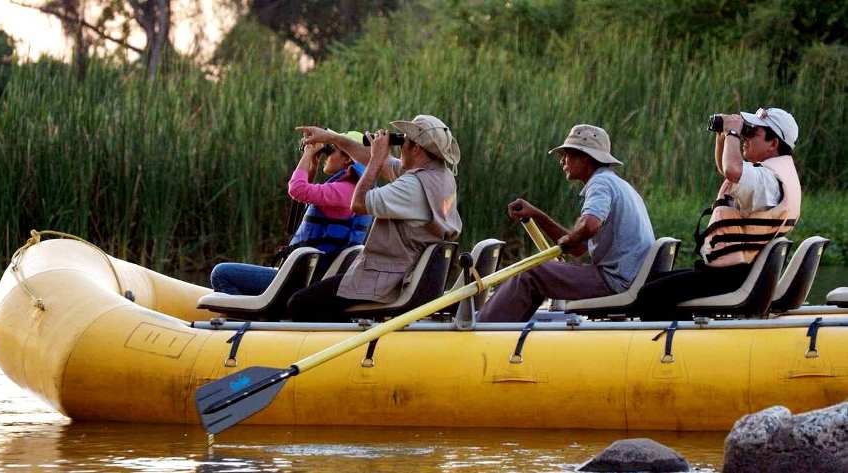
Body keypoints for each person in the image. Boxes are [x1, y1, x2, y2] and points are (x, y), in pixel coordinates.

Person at [287, 115, 462, 321]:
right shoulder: (440, 177)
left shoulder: (413, 187)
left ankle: (343, 347)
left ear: (416, 149)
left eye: (403, 142)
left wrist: (377, 159)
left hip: (387, 280)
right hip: (404, 272)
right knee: (323, 296)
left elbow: (358, 203)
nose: (400, 147)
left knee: (299, 303)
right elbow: (370, 158)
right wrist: (331, 137)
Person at [633, 107, 801, 319]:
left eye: (752, 132)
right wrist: (723, 136)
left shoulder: (767, 181)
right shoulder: (771, 174)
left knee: (650, 294)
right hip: (736, 271)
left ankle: (679, 345)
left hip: (733, 275)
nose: (744, 137)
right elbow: (727, 169)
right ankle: (689, 333)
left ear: (773, 144)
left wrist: (733, 133)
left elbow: (732, 169)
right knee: (655, 280)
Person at [476, 124, 654, 323]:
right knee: (538, 271)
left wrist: (570, 238)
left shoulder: (600, 183)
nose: (562, 161)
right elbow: (578, 248)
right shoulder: (617, 184)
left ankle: (484, 330)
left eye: (567, 154)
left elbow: (589, 226)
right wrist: (537, 215)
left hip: (616, 281)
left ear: (585, 157)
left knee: (532, 273)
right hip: (625, 277)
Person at [209, 131, 372, 295]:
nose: (326, 155)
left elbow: (297, 189)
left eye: (331, 150)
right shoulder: (354, 190)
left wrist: (307, 153)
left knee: (221, 273)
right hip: (310, 275)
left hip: (300, 281)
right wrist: (312, 164)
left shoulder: (343, 191)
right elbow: (310, 202)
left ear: (347, 159)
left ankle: (248, 316)